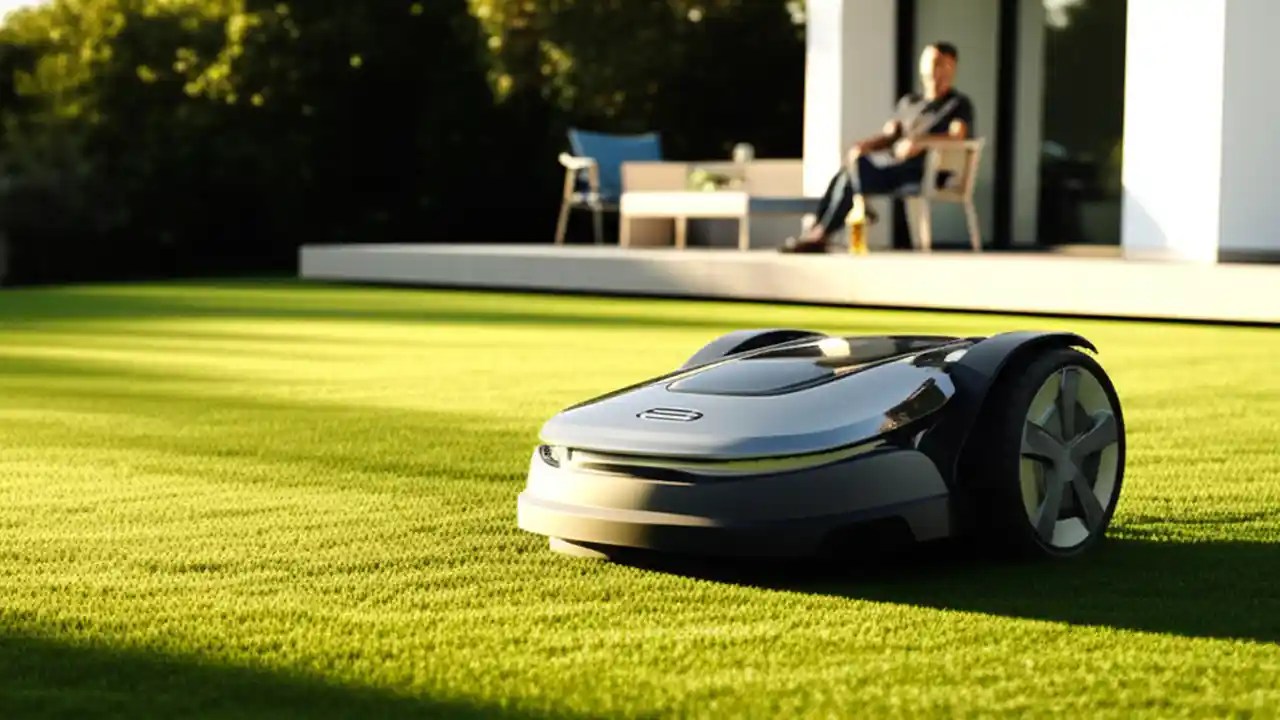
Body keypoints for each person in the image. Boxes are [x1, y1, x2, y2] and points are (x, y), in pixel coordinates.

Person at [781, 42, 976, 253]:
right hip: (896, 168)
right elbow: (890, 135)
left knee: (854, 176)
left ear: (952, 68)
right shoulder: (910, 102)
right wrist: (865, 146)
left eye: (941, 64)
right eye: (930, 63)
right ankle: (820, 229)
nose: (934, 70)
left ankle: (822, 233)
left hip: (927, 171)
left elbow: (958, 136)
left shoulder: (958, 104)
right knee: (849, 171)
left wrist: (920, 143)